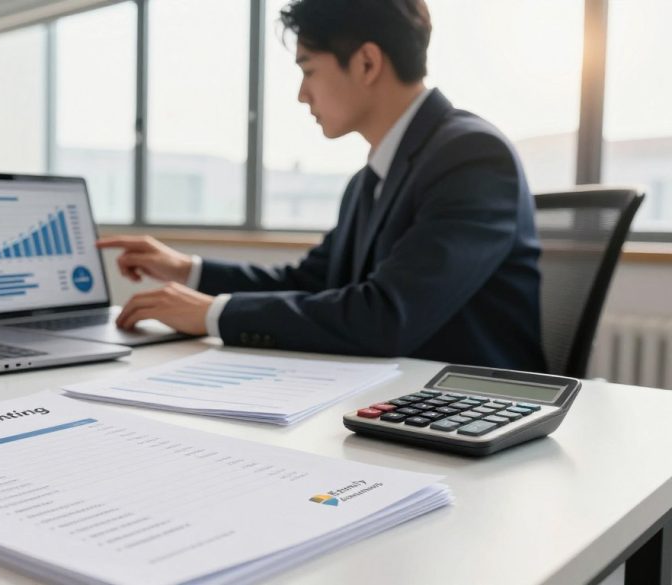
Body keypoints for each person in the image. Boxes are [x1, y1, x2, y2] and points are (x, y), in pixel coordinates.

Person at [98, 0, 546, 371]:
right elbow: (311, 282)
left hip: (468, 410)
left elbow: (387, 316)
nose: (301, 93)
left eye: (308, 70)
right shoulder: (369, 180)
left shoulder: (471, 156)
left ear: (367, 62)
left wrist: (212, 314)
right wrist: (187, 270)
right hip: (387, 391)